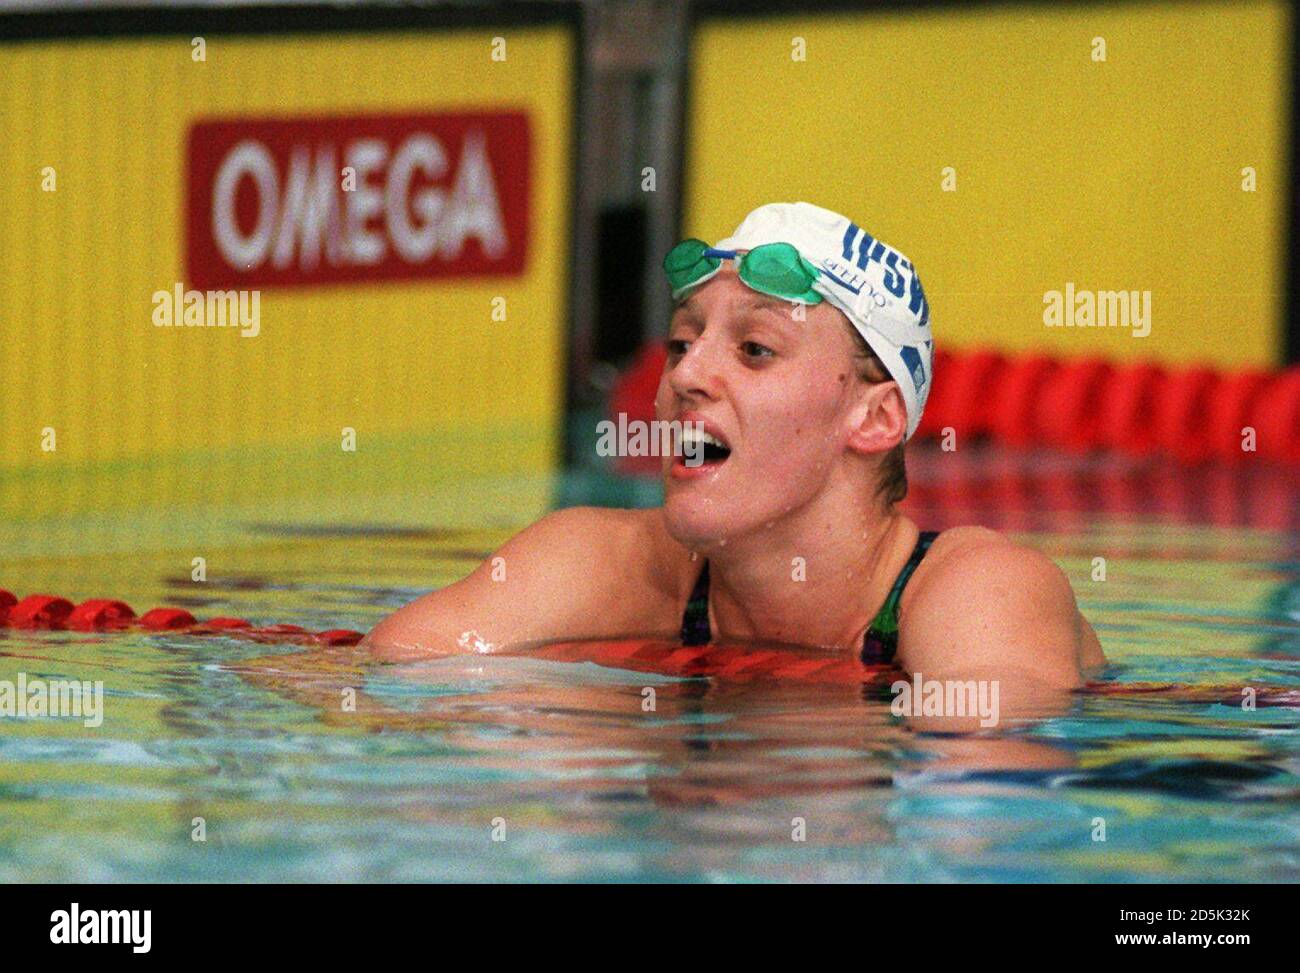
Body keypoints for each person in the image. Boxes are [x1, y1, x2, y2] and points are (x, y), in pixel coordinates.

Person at [364, 202, 1105, 695]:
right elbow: (381, 681)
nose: (685, 373)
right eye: (683, 341)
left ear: (875, 418)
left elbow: (984, 817)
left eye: (754, 348)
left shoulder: (982, 592)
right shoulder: (607, 560)